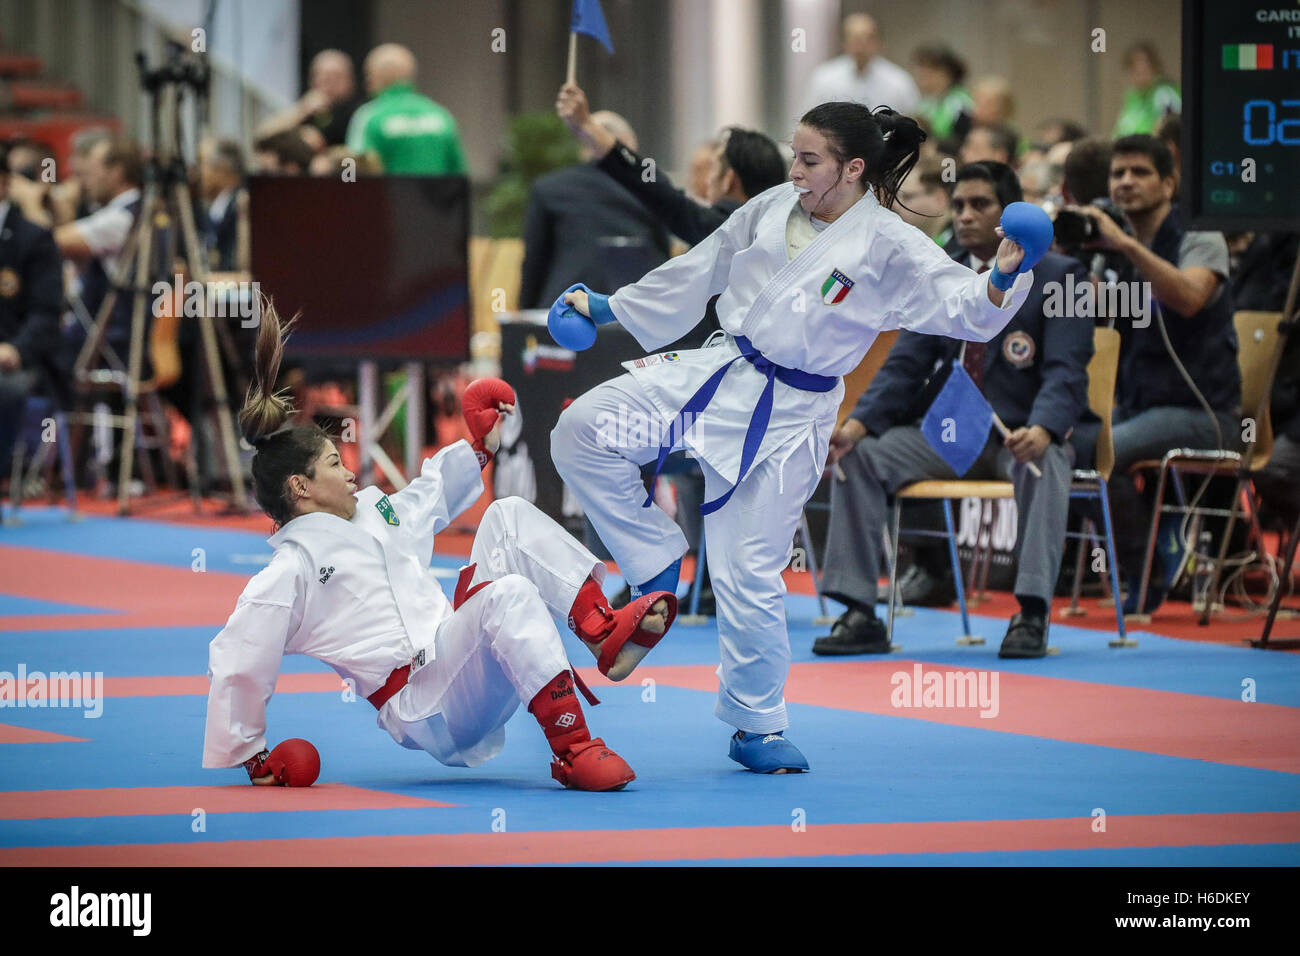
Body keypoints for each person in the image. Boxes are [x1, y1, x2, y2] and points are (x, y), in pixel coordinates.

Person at [550, 103, 1036, 773]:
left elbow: (963, 304)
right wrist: (612, 308)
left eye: (810, 160)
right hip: (718, 373)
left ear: (852, 168)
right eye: (795, 156)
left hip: (792, 417)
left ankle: (757, 725)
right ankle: (654, 559)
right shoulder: (775, 203)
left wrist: (1005, 277)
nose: (795, 170)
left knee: (746, 570)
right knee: (580, 430)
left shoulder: (887, 244)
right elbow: (705, 265)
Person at [202, 300, 678, 792]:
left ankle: (600, 630)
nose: (349, 472)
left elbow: (426, 499)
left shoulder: (371, 510)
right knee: (509, 593)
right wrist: (253, 755)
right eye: (332, 464)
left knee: (507, 515)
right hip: (420, 702)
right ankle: (573, 749)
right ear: (300, 488)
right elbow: (240, 653)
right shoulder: (292, 569)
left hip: (458, 650)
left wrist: (477, 446)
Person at [813, 162, 1092, 659]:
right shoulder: (940, 270)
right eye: (958, 204)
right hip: (949, 430)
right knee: (859, 458)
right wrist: (857, 425)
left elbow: (1067, 371)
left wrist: (1046, 428)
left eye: (979, 205)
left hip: (1020, 433)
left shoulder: (1062, 276)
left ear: (1009, 215)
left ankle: (1031, 614)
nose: (964, 215)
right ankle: (859, 612)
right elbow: (906, 362)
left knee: (1044, 465)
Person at [1067, 134, 1237, 613]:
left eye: (1139, 173)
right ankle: (1152, 555)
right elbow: (1087, 313)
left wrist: (1126, 246)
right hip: (1140, 407)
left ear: (1169, 181)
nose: (1125, 182)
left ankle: (1148, 571)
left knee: (1104, 455)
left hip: (1203, 411)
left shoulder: (1200, 235)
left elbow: (1188, 297)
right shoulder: (1111, 246)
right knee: (1066, 449)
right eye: (1118, 173)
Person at [519, 110, 671, 310]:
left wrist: (525, 317)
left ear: (584, 146)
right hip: (636, 312)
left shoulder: (550, 188)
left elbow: (535, 264)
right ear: (627, 145)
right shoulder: (651, 187)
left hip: (568, 311)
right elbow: (663, 255)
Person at [0, 142, 64, 480]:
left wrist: (15, 349)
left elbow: (46, 314)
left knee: (4, 388)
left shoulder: (33, 238)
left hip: (17, 358)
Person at [346, 43, 467, 176]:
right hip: (435, 197)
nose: (367, 82)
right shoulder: (441, 116)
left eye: (368, 74)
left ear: (377, 76)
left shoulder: (369, 116)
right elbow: (459, 174)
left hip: (386, 196)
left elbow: (356, 172)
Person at [804, 14, 920, 114]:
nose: (861, 44)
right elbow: (809, 120)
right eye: (854, 38)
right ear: (843, 42)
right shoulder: (824, 78)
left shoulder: (899, 81)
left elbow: (912, 121)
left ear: (878, 41)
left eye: (867, 38)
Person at [258, 49, 362, 149]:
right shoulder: (306, 110)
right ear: (311, 80)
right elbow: (263, 136)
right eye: (322, 75)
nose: (329, 82)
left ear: (350, 81)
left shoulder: (358, 113)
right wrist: (301, 110)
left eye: (336, 76)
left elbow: (313, 143)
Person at [1113, 42, 1180, 137]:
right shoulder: (1132, 99)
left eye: (1145, 65)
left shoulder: (1164, 94)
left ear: (1155, 67)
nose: (1140, 70)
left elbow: (1171, 132)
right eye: (1134, 67)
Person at [911, 44, 973, 145]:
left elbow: (963, 141)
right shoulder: (926, 103)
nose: (923, 73)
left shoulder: (961, 102)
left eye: (930, 68)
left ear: (948, 73)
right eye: (920, 67)